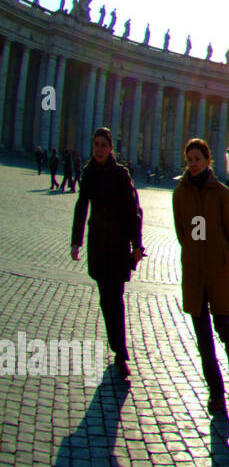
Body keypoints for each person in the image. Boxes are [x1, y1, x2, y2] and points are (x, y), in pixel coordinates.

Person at [172, 138, 229, 416]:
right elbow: (182, 232)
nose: (193, 164)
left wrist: (227, 264)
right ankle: (216, 393)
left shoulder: (221, 193)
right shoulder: (180, 193)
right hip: (194, 274)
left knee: (222, 324)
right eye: (189, 160)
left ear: (208, 161)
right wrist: (192, 254)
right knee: (203, 341)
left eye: (197, 159)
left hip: (218, 271)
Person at [71, 128, 144, 379]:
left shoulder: (121, 174)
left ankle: (120, 351)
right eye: (96, 144)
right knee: (105, 299)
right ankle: (117, 346)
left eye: (103, 145)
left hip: (118, 244)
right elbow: (82, 206)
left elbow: (134, 210)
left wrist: (137, 245)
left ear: (111, 148)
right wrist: (75, 242)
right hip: (98, 244)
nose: (99, 149)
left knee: (116, 298)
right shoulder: (88, 173)